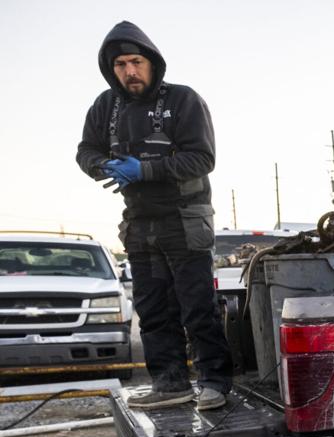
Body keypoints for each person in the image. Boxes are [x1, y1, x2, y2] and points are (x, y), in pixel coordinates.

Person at [77, 21, 233, 410]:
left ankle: (214, 381)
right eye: (120, 65)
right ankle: (169, 384)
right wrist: (103, 166)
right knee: (152, 310)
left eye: (136, 61)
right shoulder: (104, 107)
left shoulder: (183, 100)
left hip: (185, 220)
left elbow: (203, 158)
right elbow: (85, 151)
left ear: (151, 62)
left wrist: (144, 170)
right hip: (138, 223)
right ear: (110, 69)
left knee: (196, 305)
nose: (129, 71)